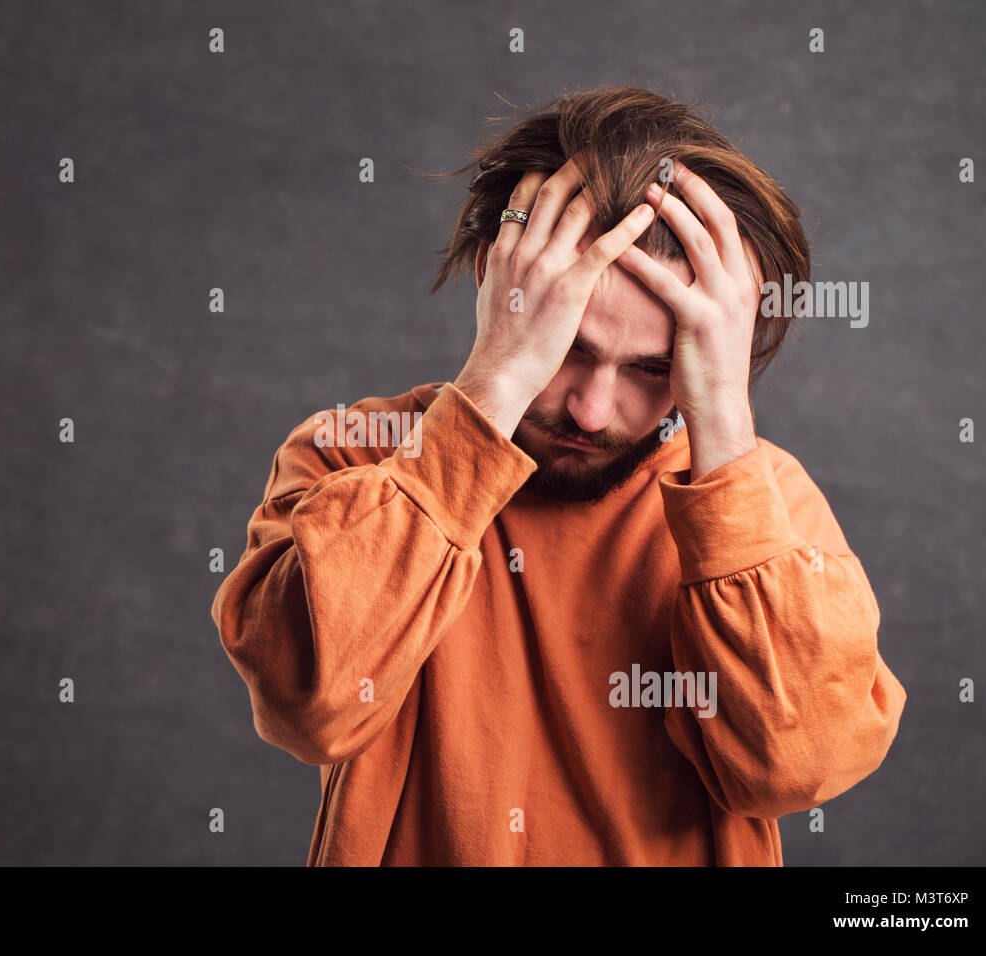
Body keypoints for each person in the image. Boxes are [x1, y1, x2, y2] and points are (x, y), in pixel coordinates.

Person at [210, 85, 906, 865]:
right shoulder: (356, 453)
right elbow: (308, 706)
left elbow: (795, 769)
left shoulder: (764, 503)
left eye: (652, 369)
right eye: (569, 346)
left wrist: (721, 419)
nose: (592, 410)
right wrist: (492, 389)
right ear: (495, 282)